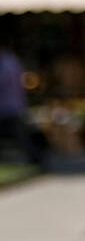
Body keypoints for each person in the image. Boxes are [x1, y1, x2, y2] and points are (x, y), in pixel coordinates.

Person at [0, 39, 45, 168]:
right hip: (13, 106)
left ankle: (37, 159)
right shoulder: (12, 60)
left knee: (21, 137)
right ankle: (36, 159)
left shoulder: (6, 63)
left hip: (8, 107)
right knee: (21, 136)